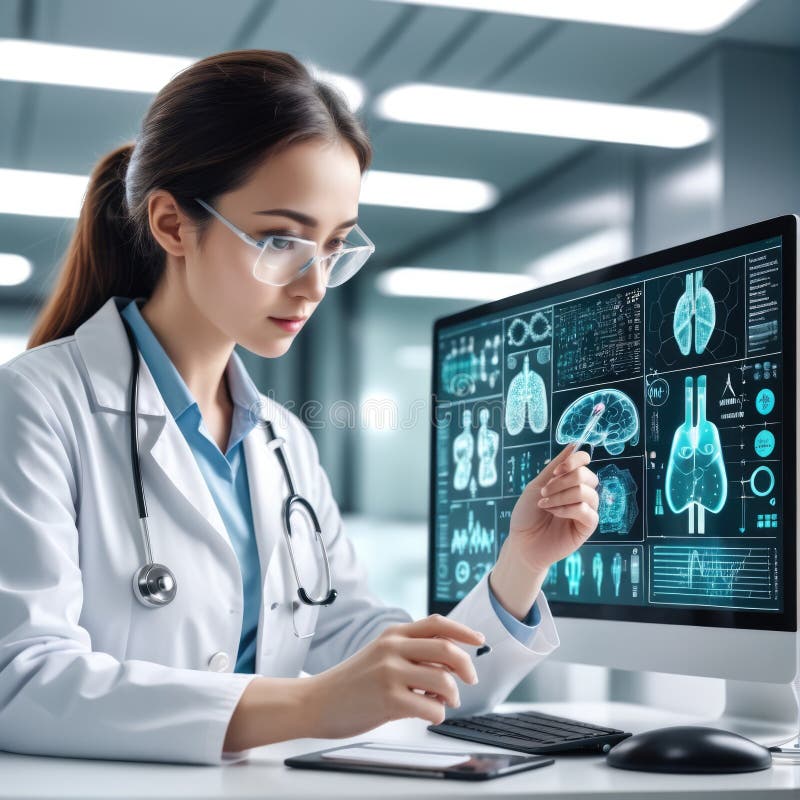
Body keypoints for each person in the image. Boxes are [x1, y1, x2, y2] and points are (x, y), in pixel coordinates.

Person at [0, 50, 599, 765]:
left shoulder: (282, 442)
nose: (314, 284)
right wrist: (311, 705)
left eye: (335, 245)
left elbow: (394, 668)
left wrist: (521, 565)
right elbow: (20, 681)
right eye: (281, 240)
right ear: (171, 224)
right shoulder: (38, 404)